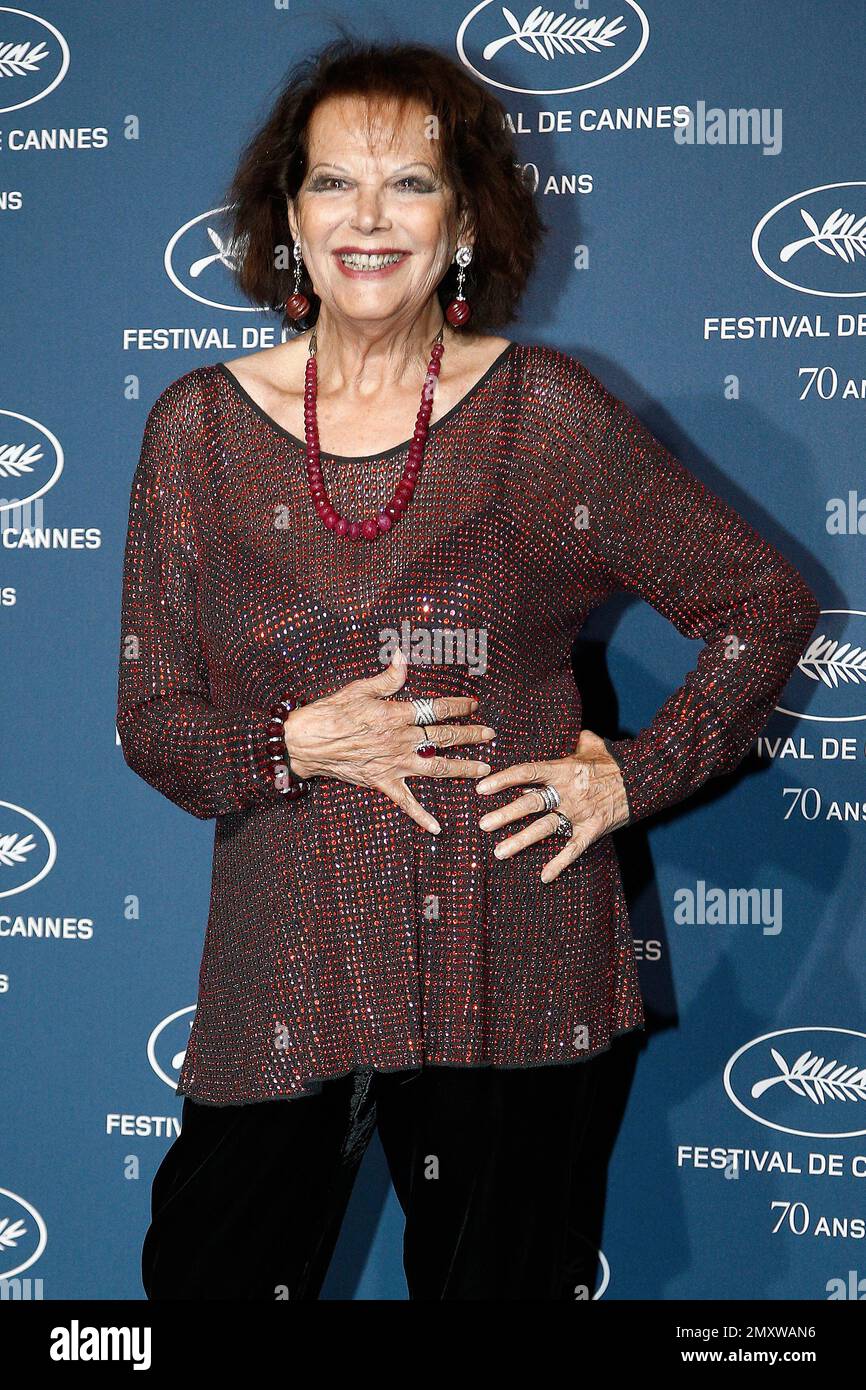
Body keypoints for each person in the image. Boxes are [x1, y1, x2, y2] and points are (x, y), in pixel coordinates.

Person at [116, 38, 820, 1300]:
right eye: (333, 184)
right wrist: (291, 744)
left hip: (512, 952)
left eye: (410, 185)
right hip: (288, 969)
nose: (368, 219)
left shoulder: (542, 414)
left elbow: (759, 605)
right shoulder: (198, 433)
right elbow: (152, 721)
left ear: (463, 221)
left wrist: (632, 776)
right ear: (287, 217)